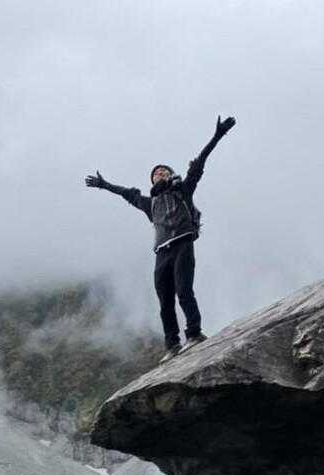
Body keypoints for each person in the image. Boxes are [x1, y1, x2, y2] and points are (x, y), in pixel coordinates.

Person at [85, 115, 237, 362]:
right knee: (165, 301)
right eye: (156, 172)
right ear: (152, 180)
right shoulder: (149, 203)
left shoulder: (183, 190)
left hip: (183, 242)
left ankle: (194, 334)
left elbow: (199, 163)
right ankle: (172, 345)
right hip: (162, 252)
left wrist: (217, 136)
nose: (160, 173)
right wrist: (104, 185)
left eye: (164, 170)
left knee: (184, 290)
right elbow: (126, 194)